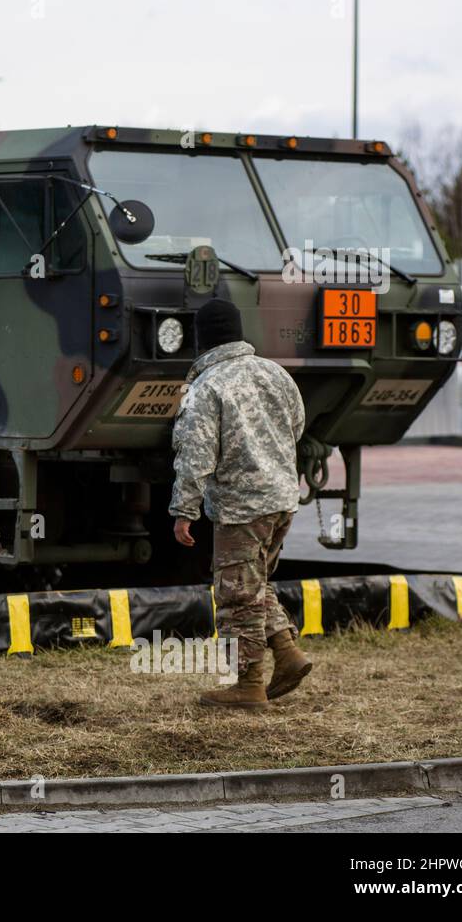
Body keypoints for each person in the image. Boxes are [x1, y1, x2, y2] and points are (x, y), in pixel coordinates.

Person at [170, 298, 313, 710]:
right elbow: (297, 426)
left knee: (235, 595)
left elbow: (196, 454)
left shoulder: (206, 385)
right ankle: (287, 654)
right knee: (253, 586)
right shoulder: (276, 373)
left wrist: (184, 510)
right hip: (283, 499)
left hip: (240, 508)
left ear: (202, 339)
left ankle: (247, 685)